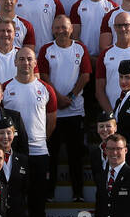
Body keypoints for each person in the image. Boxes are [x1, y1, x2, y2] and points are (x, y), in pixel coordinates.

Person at [2, 46, 58, 217]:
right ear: (15, 62)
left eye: (29, 59)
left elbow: (51, 122)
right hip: (14, 157)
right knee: (13, 207)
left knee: (37, 208)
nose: (25, 63)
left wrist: (38, 141)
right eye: (21, 59)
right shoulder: (6, 89)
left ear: (36, 64)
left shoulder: (45, 89)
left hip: (39, 155)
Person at [39, 14, 92, 202]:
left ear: (71, 29)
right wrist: (58, 98)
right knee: (51, 154)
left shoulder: (80, 49)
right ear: (53, 30)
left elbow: (85, 76)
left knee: (75, 155)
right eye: (57, 28)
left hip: (75, 111)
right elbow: (43, 76)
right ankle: (50, 193)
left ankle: (78, 194)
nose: (61, 31)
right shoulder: (46, 50)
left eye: (64, 27)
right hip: (53, 112)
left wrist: (70, 97)